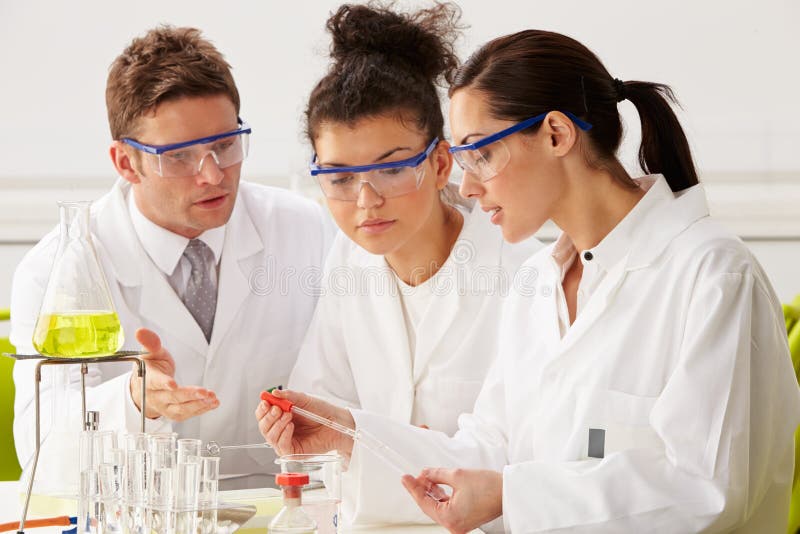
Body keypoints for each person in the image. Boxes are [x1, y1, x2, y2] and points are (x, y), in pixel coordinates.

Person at [256, 29, 800, 532]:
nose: (466, 187)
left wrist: (512, 496)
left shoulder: (713, 275)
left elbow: (706, 491)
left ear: (557, 133)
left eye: (482, 154)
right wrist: (349, 434)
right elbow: (493, 451)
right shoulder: (540, 284)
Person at [11, 25, 332, 490]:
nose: (212, 175)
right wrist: (136, 401)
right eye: (179, 156)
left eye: (225, 145)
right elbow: (44, 462)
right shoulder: (56, 271)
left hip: (284, 508)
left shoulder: (305, 229)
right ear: (125, 162)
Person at [284, 3, 540, 439]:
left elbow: (537, 449)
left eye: (392, 169)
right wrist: (302, 428)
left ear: (441, 163)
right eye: (340, 177)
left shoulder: (527, 274)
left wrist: (419, 452)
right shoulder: (349, 259)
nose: (366, 200)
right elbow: (323, 404)